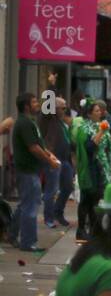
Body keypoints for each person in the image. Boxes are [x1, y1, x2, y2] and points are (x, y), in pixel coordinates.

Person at [12, 93, 60, 253]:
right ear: (26, 106)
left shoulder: (29, 122)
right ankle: (28, 242)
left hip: (30, 171)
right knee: (30, 208)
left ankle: (12, 234)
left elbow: (39, 144)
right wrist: (49, 161)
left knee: (24, 205)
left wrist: (49, 154)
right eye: (34, 102)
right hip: (27, 171)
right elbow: (33, 148)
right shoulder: (25, 123)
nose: (37, 104)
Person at [73, 101, 111, 242]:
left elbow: (105, 146)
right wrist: (101, 132)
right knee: (86, 200)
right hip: (89, 168)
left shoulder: (100, 126)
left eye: (100, 111)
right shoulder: (84, 128)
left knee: (95, 200)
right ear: (89, 113)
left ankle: (93, 230)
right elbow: (90, 148)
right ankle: (81, 230)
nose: (99, 113)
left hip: (99, 168)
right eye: (96, 111)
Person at [41, 99, 74, 229]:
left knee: (68, 187)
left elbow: (66, 141)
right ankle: (48, 218)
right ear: (54, 109)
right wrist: (52, 86)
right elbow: (47, 110)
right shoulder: (50, 120)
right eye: (62, 108)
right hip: (54, 158)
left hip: (65, 160)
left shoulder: (61, 123)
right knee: (52, 190)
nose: (65, 110)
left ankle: (57, 212)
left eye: (66, 108)